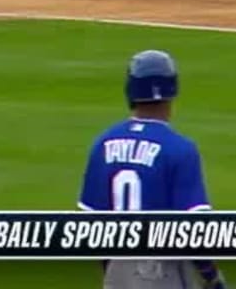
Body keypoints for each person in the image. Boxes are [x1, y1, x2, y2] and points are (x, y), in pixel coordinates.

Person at [78, 50, 227, 289]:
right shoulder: (181, 149)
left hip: (117, 270)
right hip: (164, 272)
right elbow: (194, 229)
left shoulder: (103, 143)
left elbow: (90, 222)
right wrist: (211, 276)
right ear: (172, 90)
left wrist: (113, 271)